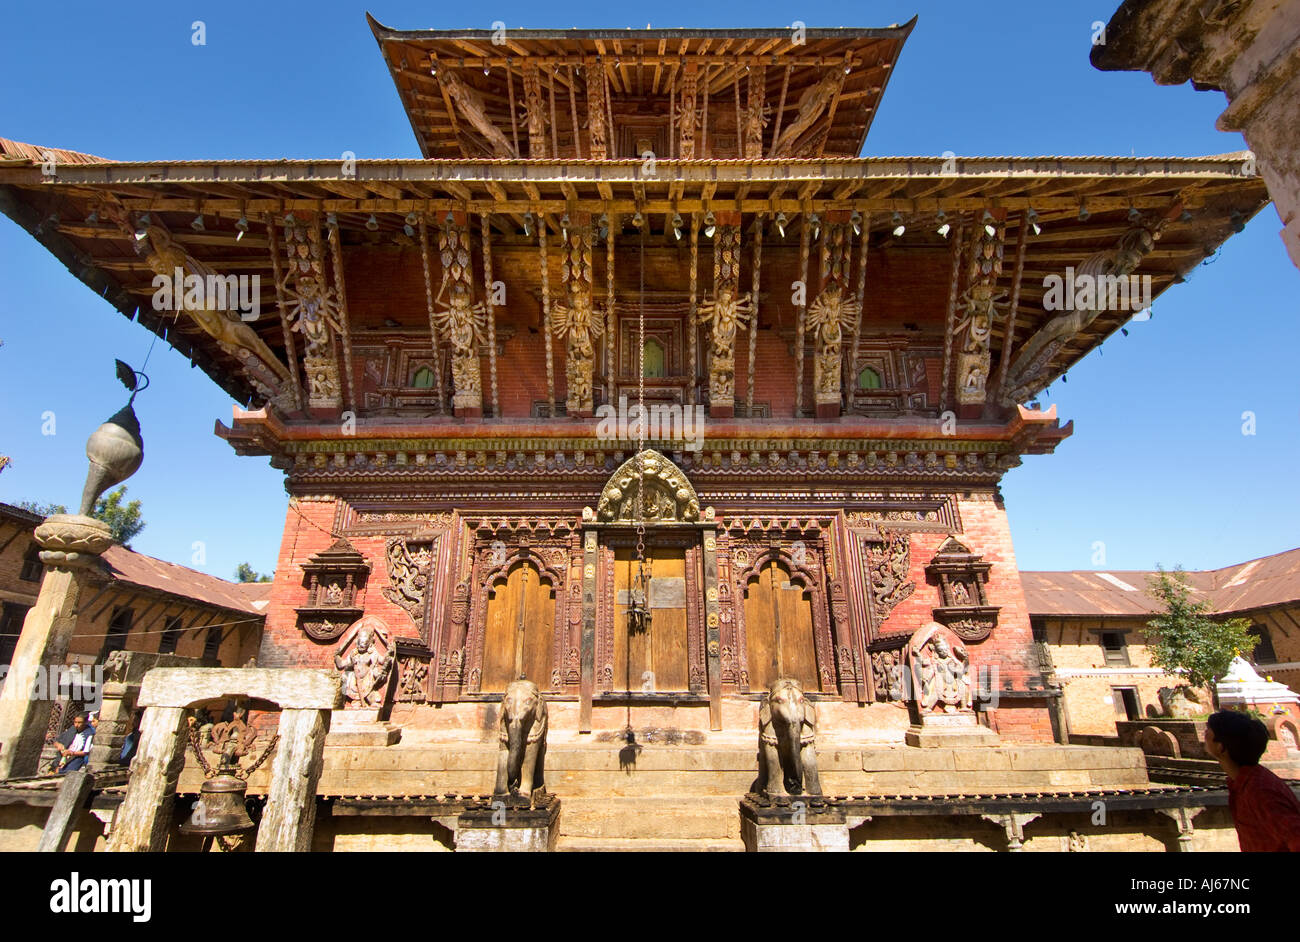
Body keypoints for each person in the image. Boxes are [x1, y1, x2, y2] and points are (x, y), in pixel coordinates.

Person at [1204, 710, 1300, 852]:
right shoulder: (1244, 784)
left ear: (1221, 747)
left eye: (1207, 734)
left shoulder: (1260, 791)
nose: (1203, 737)